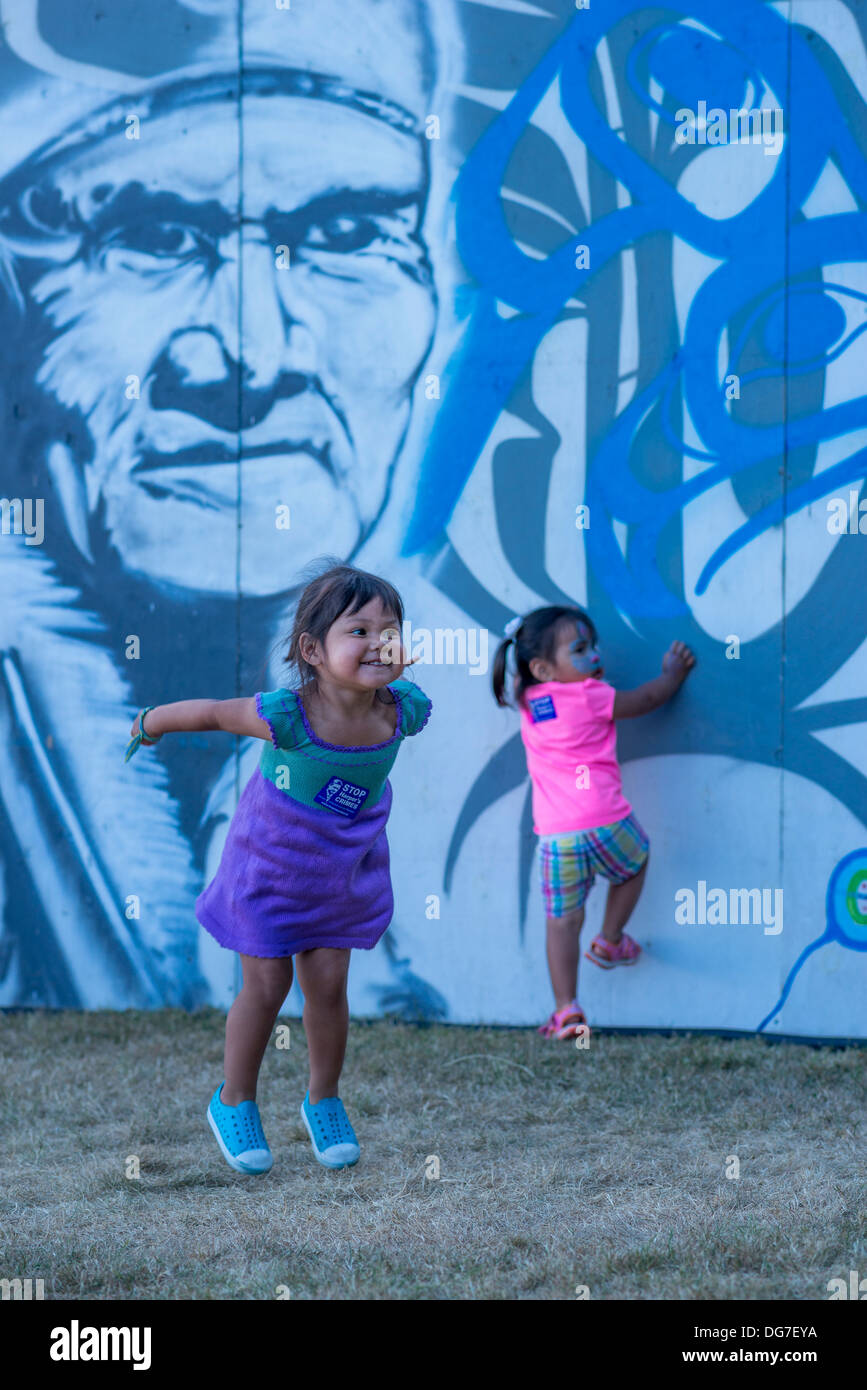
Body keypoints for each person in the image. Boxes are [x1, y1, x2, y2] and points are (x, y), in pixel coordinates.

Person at [126, 562, 432, 1172]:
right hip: (269, 870)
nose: (380, 643)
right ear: (312, 651)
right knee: (267, 987)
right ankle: (233, 1099)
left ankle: (324, 1098)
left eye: (390, 629)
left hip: (342, 874)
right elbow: (214, 713)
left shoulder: (404, 710)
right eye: (359, 631)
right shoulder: (286, 715)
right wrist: (151, 720)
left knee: (328, 989)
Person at [492, 607, 695, 1040]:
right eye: (580, 648)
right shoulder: (590, 693)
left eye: (593, 645)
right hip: (607, 822)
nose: (595, 655)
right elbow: (645, 700)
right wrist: (672, 676)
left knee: (561, 922)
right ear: (543, 667)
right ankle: (609, 938)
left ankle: (566, 1009)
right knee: (636, 863)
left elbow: (516, 681)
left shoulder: (528, 700)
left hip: (556, 838)